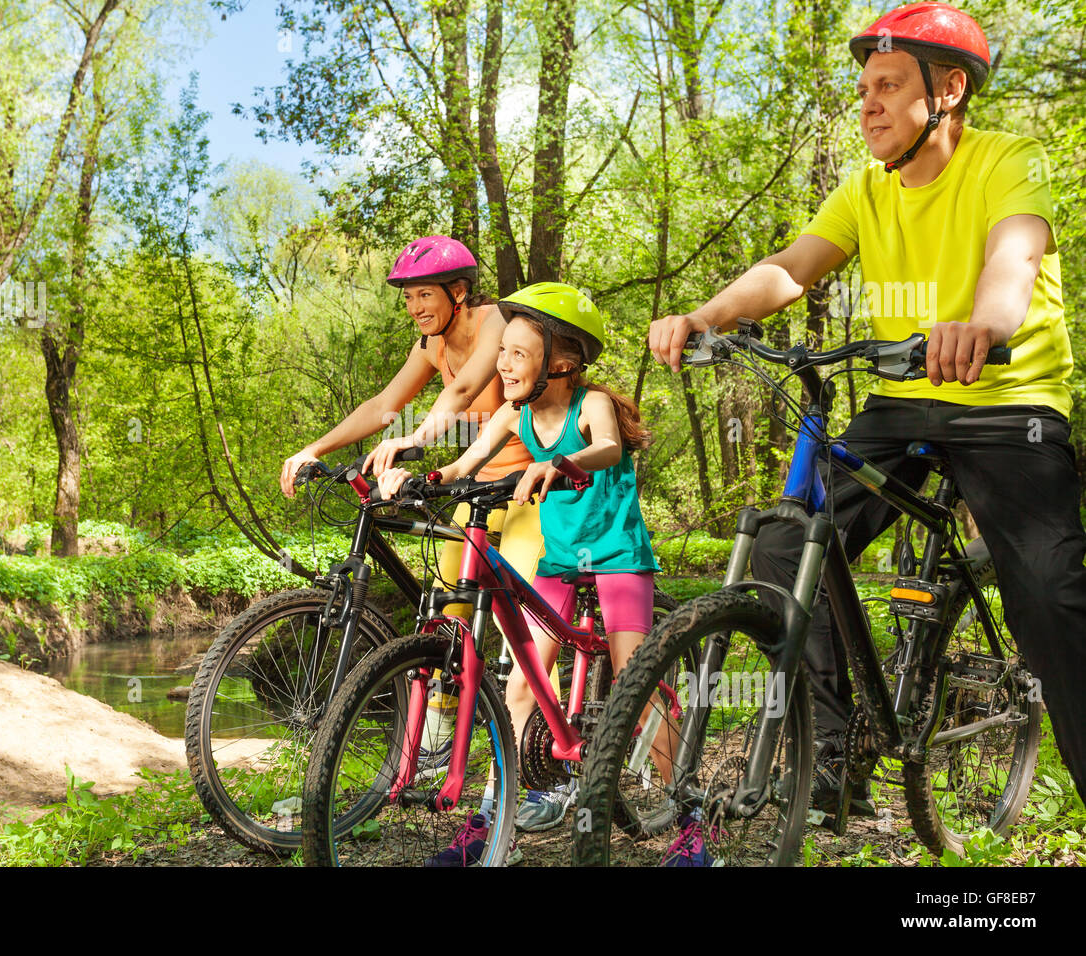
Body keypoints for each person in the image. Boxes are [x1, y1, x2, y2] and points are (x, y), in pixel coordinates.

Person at [645, 1, 1086, 820]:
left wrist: (983, 326)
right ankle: (837, 753)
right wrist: (710, 314)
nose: (868, 103)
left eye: (888, 85)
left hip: (1004, 399)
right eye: (863, 88)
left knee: (1054, 598)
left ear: (948, 91)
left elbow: (1014, 253)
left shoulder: (1005, 160)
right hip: (900, 406)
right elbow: (792, 267)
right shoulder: (864, 189)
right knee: (785, 540)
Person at [380, 282, 678, 863]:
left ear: (562, 363)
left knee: (636, 685)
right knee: (519, 684)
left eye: (518, 353)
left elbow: (610, 449)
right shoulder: (514, 415)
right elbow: (465, 462)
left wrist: (560, 462)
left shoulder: (589, 406)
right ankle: (499, 820)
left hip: (617, 554)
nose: (503, 363)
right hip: (560, 561)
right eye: (502, 352)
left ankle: (676, 810)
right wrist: (420, 479)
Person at [279, 233, 546, 620]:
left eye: (424, 294)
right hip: (478, 484)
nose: (414, 307)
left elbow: (465, 389)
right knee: (443, 613)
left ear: (457, 292)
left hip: (532, 486)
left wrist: (417, 437)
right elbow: (382, 405)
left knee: (520, 621)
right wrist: (314, 449)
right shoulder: (430, 345)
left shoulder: (498, 323)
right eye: (408, 297)